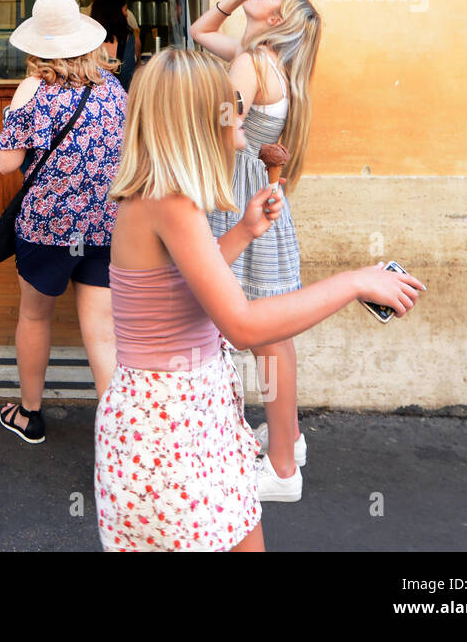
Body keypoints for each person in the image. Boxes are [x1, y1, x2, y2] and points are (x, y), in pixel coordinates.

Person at [97, 48, 422, 551]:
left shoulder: (163, 195)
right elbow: (243, 325)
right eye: (236, 108)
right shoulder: (172, 203)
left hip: (188, 415)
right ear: (203, 123)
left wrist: (245, 231)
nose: (246, 118)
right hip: (167, 428)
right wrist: (354, 282)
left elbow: (178, 287)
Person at [189, 0, 322, 501]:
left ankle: (283, 471)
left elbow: (225, 128)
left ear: (276, 18)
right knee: (275, 332)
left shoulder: (253, 61)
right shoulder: (264, 58)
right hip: (261, 195)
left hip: (236, 195)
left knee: (265, 335)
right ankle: (288, 437)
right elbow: (201, 31)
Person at [0, 0, 126, 443]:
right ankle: (117, 440)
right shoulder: (114, 90)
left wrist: (15, 113)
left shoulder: (33, 89)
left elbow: (5, 163)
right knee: (103, 333)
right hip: (104, 226)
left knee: (34, 317)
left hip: (47, 227)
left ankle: (29, 415)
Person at [88, 0, 137, 90]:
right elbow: (130, 78)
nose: (126, 13)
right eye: (124, 9)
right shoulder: (129, 39)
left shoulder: (87, 38)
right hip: (122, 104)